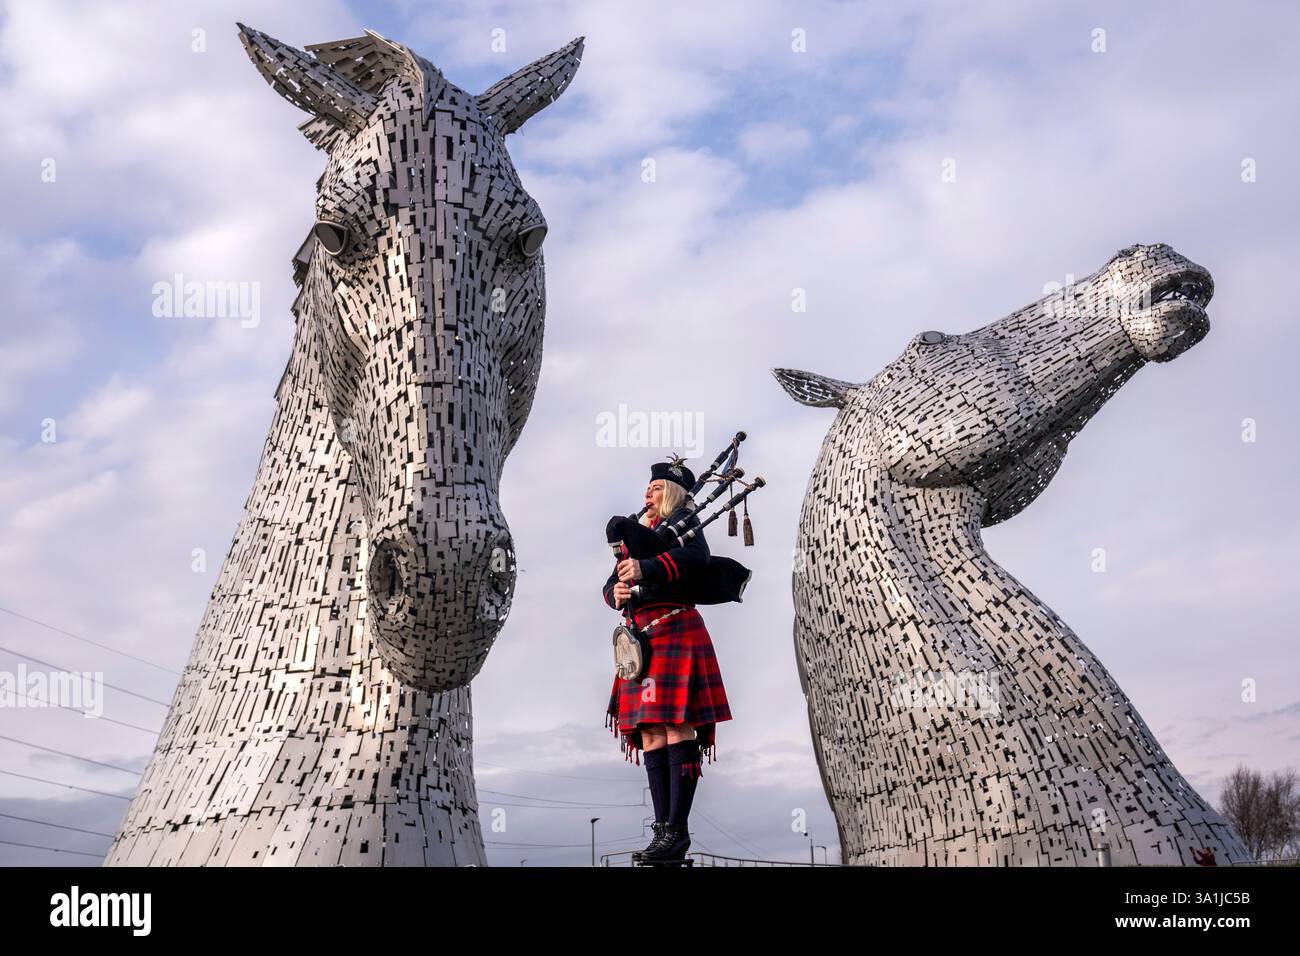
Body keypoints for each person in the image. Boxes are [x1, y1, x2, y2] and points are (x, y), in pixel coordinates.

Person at [602, 459, 733, 863]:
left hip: (676, 628)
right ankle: (662, 831)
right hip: (641, 643)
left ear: (673, 493)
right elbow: (610, 586)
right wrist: (617, 595)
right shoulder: (638, 538)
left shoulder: (687, 531)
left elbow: (696, 561)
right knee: (651, 734)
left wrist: (647, 567)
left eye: (657, 487)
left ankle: (678, 830)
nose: (648, 493)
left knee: (678, 727)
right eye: (647, 486)